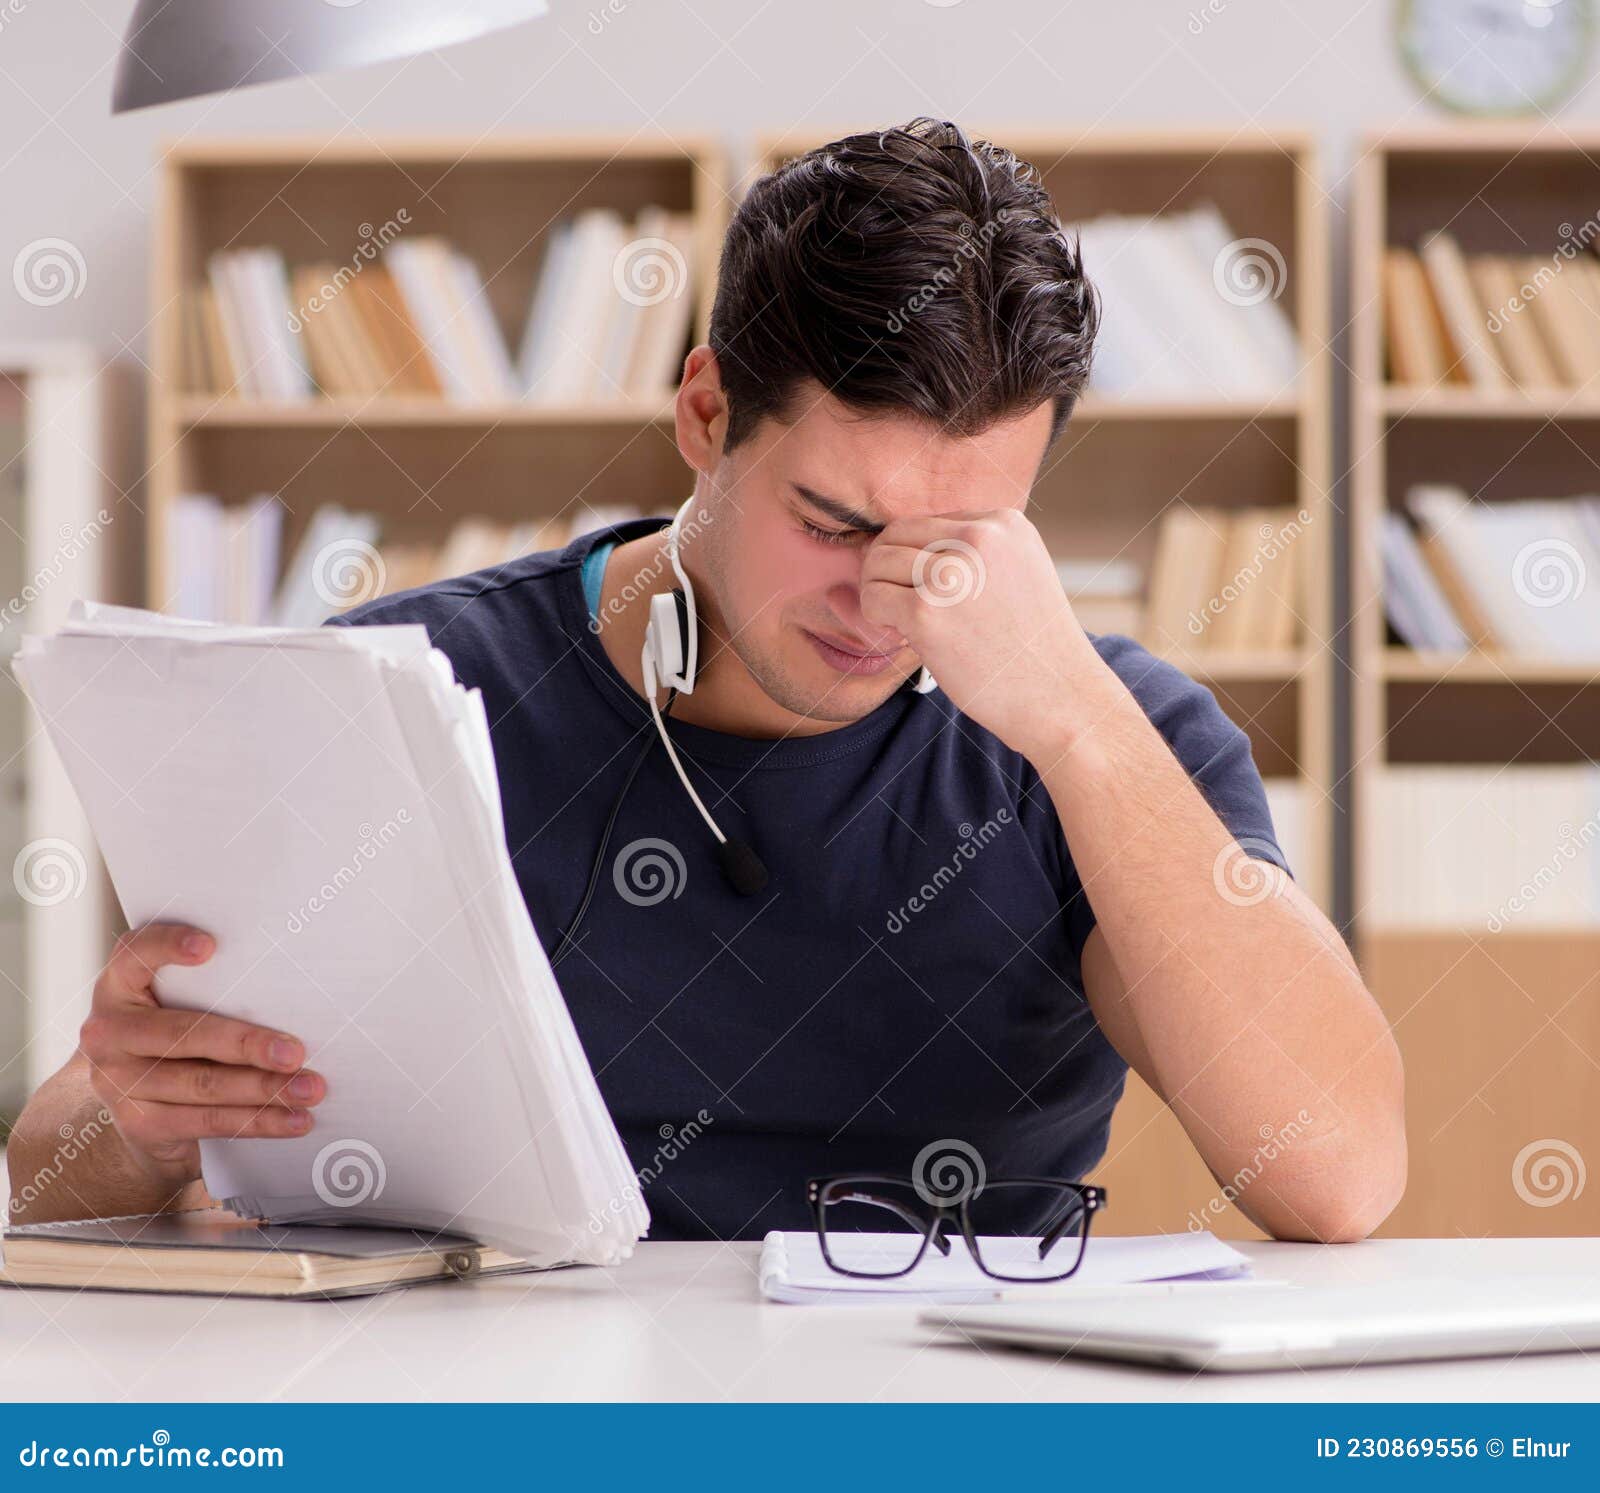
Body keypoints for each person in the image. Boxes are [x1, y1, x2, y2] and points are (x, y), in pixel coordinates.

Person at [7, 119, 1404, 1243]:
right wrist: (133, 1109)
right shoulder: (393, 690)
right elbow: (51, 1177)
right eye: (838, 524)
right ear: (703, 414)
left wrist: (1078, 727)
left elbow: (1335, 1177)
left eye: (963, 539)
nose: (886, 603)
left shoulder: (1113, 736)